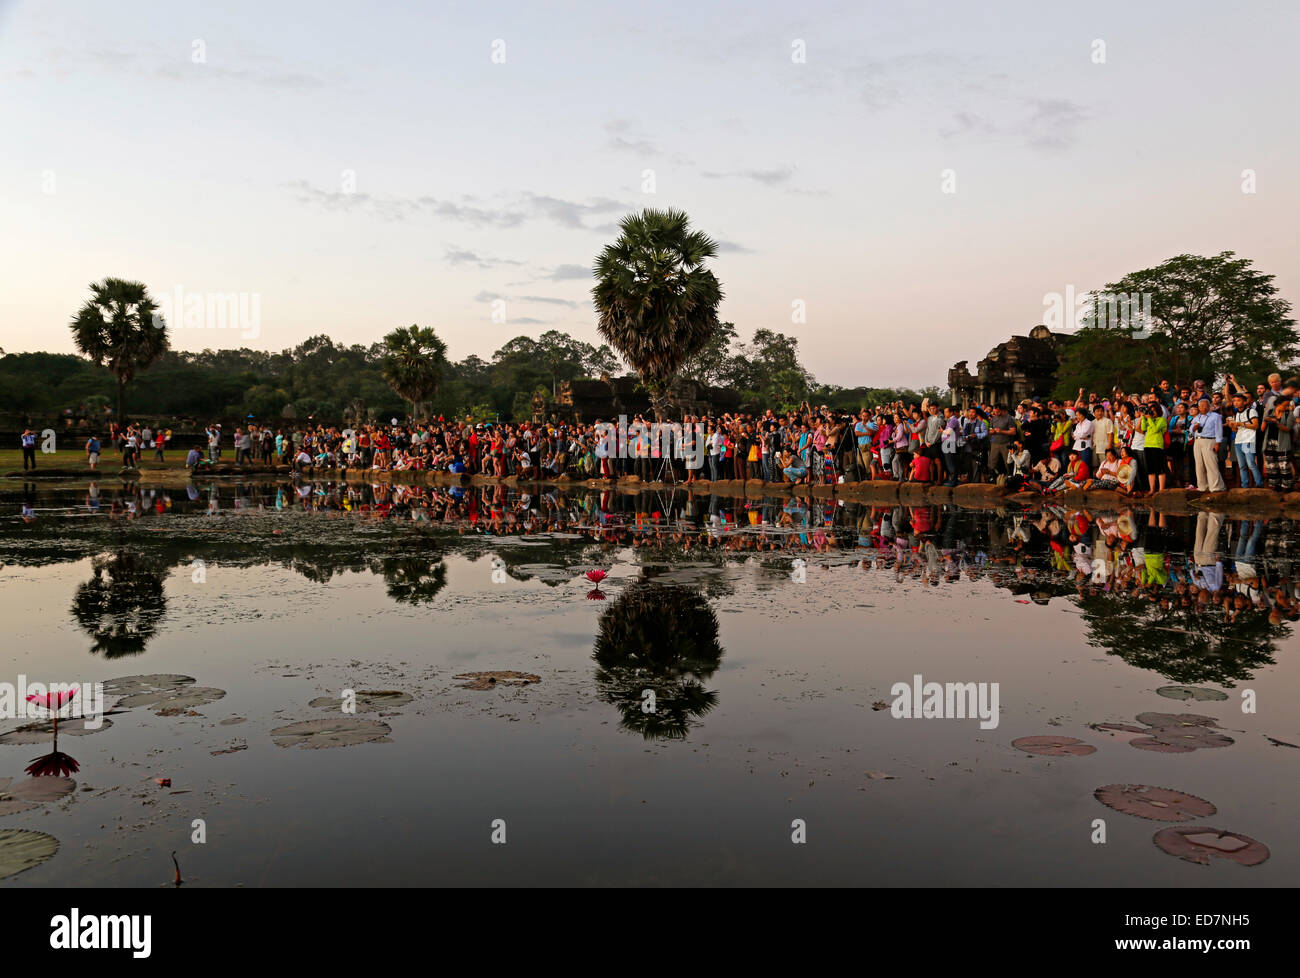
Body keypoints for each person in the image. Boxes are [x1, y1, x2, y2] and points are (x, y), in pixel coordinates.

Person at [1188, 397, 1226, 492]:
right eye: (1201, 406)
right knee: (1199, 465)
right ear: (1199, 407)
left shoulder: (1215, 416)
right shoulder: (1197, 417)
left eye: (1206, 406)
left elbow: (1219, 430)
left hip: (1210, 441)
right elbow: (1190, 429)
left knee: (1211, 464)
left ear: (1210, 407)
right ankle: (1202, 486)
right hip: (1198, 441)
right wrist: (1194, 427)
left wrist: (1218, 443)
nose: (1204, 408)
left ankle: (1216, 487)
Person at [1226, 391, 1262, 488]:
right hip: (1239, 441)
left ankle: (1259, 484)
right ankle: (1245, 486)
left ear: (1245, 402)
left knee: (1251, 464)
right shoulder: (1237, 414)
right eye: (1234, 401)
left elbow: (1256, 425)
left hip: (1248, 441)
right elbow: (1236, 430)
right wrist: (1232, 425)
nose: (1236, 403)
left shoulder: (1251, 411)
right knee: (1242, 465)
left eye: (1238, 400)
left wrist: (1240, 424)